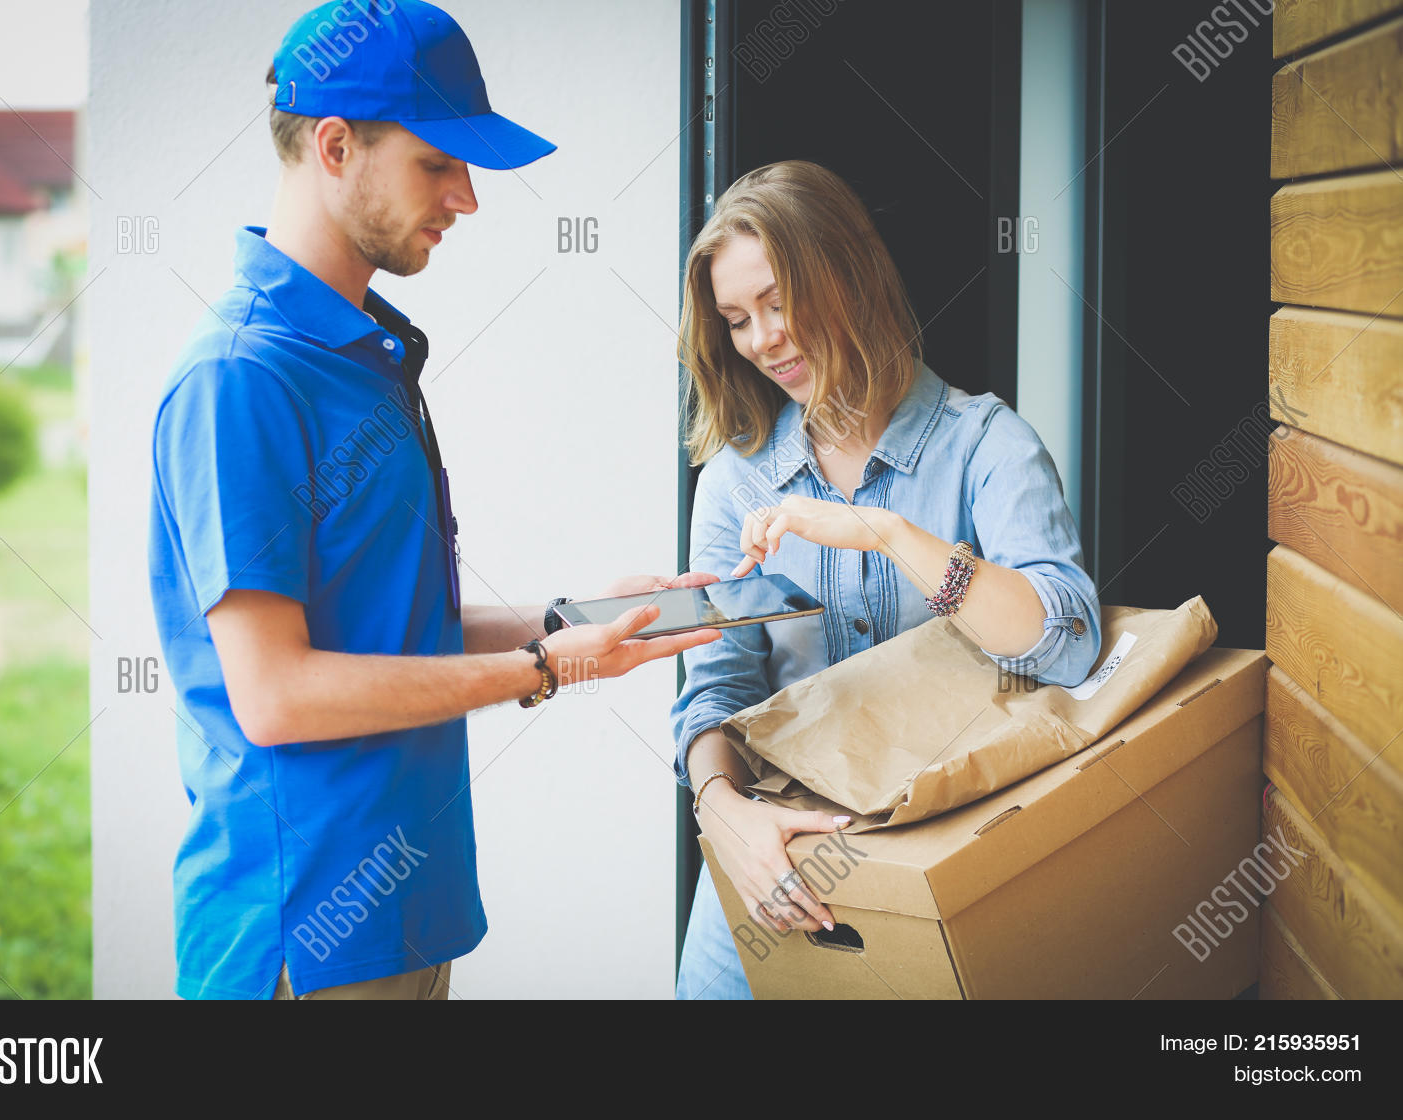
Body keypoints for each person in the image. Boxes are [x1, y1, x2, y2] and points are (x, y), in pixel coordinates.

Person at [147, 0, 719, 1001]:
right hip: (302, 945)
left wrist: (574, 622)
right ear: (335, 147)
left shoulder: (362, 354)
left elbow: (389, 634)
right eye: (437, 163)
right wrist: (541, 669)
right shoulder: (242, 379)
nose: (468, 197)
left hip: (405, 922)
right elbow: (277, 696)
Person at [669, 160, 1103, 1000]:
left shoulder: (987, 445)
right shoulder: (734, 482)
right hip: (774, 864)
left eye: (777, 303)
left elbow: (1067, 645)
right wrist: (723, 810)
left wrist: (891, 534)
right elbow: (719, 686)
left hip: (946, 861)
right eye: (737, 320)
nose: (762, 340)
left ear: (849, 273)